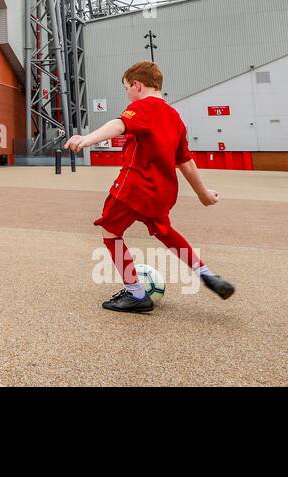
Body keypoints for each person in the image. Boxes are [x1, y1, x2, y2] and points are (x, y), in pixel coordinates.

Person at [66, 60, 235, 314]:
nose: (127, 93)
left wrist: (87, 138)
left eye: (126, 88)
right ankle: (206, 273)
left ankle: (135, 293)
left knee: (110, 232)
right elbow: (185, 161)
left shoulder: (143, 107)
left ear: (137, 85)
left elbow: (119, 124)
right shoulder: (174, 117)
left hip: (133, 185)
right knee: (165, 230)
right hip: (163, 191)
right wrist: (203, 192)